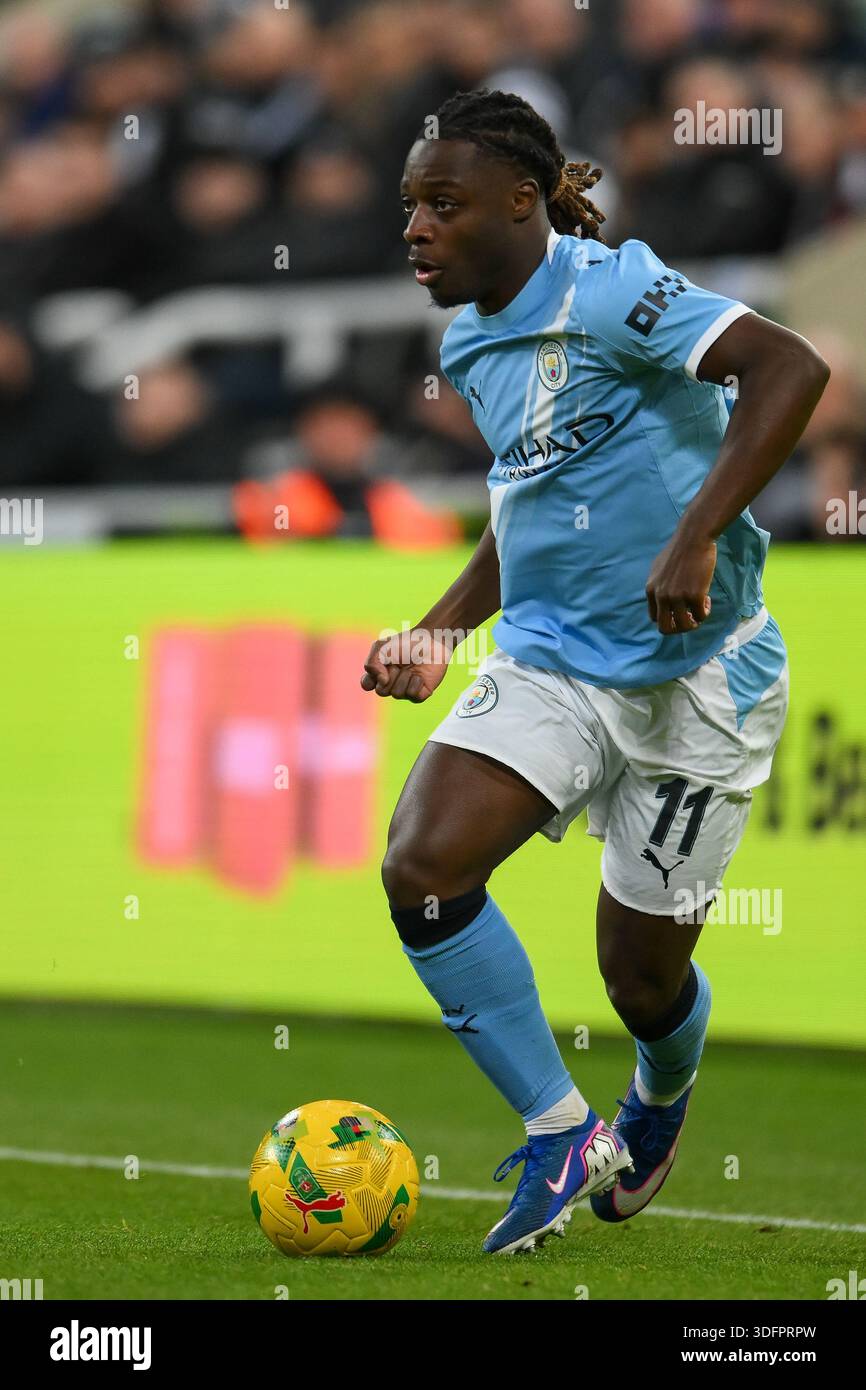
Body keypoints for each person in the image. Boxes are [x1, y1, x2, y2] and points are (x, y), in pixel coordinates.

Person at [361, 89, 829, 1255]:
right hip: (555, 661)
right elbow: (523, 501)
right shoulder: (470, 336)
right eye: (409, 206)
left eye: (441, 205)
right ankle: (559, 1127)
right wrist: (442, 625)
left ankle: (656, 1097)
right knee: (422, 866)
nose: (414, 229)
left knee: (639, 982)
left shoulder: (615, 287)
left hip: (696, 680)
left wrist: (698, 534)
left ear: (520, 202)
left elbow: (790, 367)